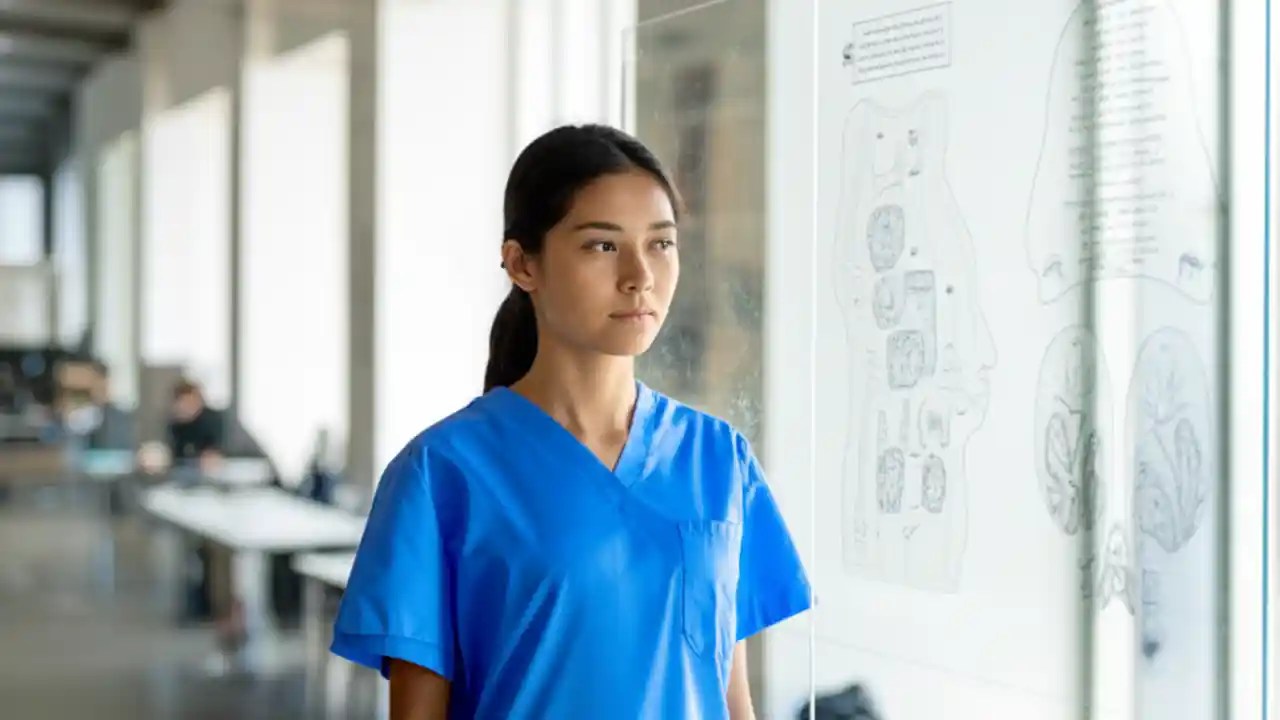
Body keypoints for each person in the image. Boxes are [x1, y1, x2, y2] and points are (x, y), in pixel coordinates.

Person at [331, 125, 812, 719]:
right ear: (521, 264)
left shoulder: (718, 458)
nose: (640, 275)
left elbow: (731, 697)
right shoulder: (441, 474)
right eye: (603, 246)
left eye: (661, 243)